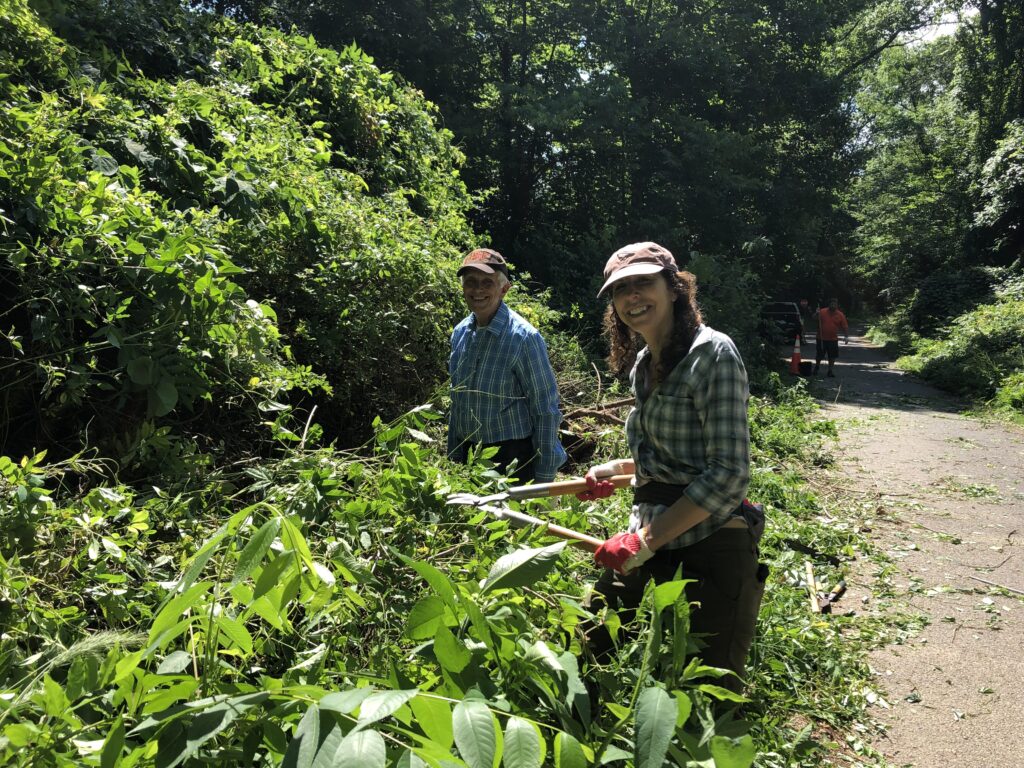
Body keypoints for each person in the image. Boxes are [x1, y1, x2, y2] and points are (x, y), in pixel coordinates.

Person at [578, 241, 766, 693]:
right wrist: (618, 470)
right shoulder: (643, 363)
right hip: (649, 529)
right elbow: (670, 457)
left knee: (708, 692)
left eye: (643, 282)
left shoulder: (713, 353)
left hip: (711, 538)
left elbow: (727, 473)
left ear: (675, 287)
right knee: (587, 643)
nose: (631, 296)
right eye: (620, 289)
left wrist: (645, 541)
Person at [447, 248, 567, 483]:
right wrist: (453, 459)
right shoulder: (461, 333)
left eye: (487, 282)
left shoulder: (523, 338)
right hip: (468, 456)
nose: (478, 290)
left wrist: (543, 478)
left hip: (513, 461)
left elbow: (546, 410)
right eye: (471, 282)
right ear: (463, 287)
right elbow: (457, 402)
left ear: (503, 289)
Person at [813, 298, 849, 377]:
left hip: (833, 339)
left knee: (832, 356)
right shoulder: (822, 311)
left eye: (834, 304)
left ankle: (830, 370)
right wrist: (816, 313)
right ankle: (817, 367)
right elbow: (814, 318)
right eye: (831, 303)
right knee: (819, 354)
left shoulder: (840, 314)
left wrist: (846, 336)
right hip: (821, 338)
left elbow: (845, 326)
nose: (833, 305)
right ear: (829, 304)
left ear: (837, 305)